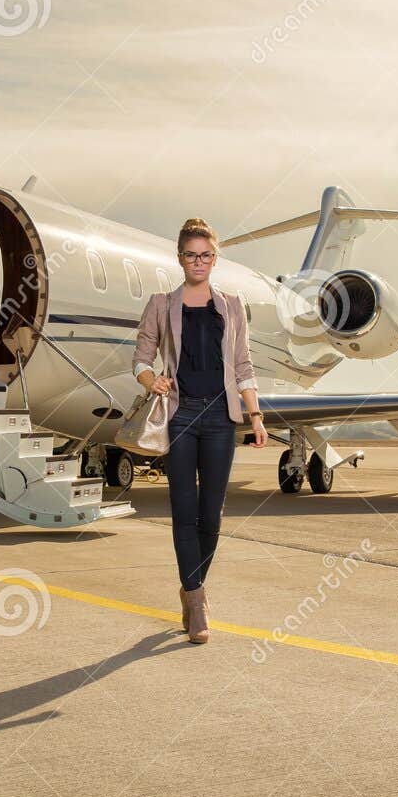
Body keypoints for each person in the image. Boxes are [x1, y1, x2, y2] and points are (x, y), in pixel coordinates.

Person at [131, 217, 267, 643]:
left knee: (211, 514)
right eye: (191, 255)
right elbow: (141, 357)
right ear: (180, 258)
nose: (198, 262)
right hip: (181, 415)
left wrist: (256, 415)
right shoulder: (160, 304)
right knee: (183, 511)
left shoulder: (232, 305)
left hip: (221, 419)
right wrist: (150, 380)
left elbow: (243, 365)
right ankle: (196, 599)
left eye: (206, 255)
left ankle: (193, 586)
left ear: (215, 258)